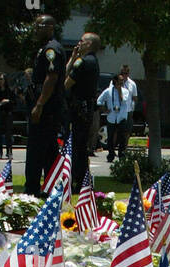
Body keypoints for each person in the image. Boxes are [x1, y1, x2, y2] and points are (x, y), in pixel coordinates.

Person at [26, 13, 65, 196]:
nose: (36, 30)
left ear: (50, 28)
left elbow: (52, 77)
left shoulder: (51, 49)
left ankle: (32, 189)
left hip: (46, 109)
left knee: (36, 149)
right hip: (46, 107)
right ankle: (51, 189)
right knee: (49, 151)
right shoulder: (46, 48)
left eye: (39, 26)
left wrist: (39, 104)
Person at [64, 33, 100, 192]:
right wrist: (73, 57)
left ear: (90, 44)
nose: (79, 42)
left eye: (82, 40)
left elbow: (66, 82)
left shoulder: (83, 61)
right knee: (81, 145)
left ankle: (78, 180)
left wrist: (73, 60)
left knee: (77, 145)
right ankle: (82, 179)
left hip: (79, 107)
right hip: (87, 108)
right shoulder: (92, 61)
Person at [97, 71, 130, 163]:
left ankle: (121, 154)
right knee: (110, 137)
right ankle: (111, 154)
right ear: (115, 81)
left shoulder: (125, 91)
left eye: (122, 80)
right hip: (111, 117)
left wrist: (119, 90)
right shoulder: (108, 91)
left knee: (122, 137)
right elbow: (99, 101)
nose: (121, 82)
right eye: (120, 80)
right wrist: (104, 109)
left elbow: (123, 100)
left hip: (121, 117)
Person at [0, 73, 15, 158]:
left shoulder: (10, 90)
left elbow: (14, 102)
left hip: (8, 114)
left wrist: (7, 101)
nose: (0, 81)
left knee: (8, 134)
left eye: (2, 79)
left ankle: (9, 152)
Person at [119, 63, 137, 128]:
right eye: (122, 73)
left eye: (126, 73)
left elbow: (135, 98)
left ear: (128, 73)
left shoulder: (132, 84)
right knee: (117, 131)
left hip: (128, 111)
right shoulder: (115, 82)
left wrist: (132, 104)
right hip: (118, 110)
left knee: (127, 130)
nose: (124, 75)